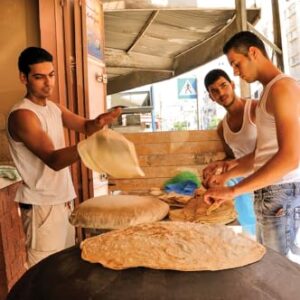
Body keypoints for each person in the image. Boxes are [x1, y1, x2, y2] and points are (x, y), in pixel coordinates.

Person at [7, 47, 122, 267]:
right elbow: (53, 160)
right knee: (44, 276)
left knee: (64, 271)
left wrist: (101, 121)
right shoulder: (22, 115)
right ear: (24, 78)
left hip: (62, 203)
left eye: (51, 75)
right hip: (42, 207)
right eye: (39, 77)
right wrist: (91, 146)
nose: (48, 83)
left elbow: (86, 127)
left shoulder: (53, 108)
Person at [200, 31, 300, 262]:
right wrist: (226, 173)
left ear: (253, 53)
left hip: (283, 194)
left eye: (236, 63)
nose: (235, 71)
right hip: (270, 195)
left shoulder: (282, 88)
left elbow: (291, 156)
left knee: (283, 278)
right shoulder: (269, 92)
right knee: (270, 272)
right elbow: (261, 156)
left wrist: (234, 190)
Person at [202, 69, 257, 235]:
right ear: (211, 97)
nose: (221, 93)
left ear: (232, 85)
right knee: (251, 236)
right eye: (214, 91)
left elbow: (268, 151)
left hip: (269, 181)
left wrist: (225, 176)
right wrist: (218, 166)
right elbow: (232, 158)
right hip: (243, 186)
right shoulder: (222, 128)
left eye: (223, 86)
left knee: (275, 244)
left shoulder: (255, 109)